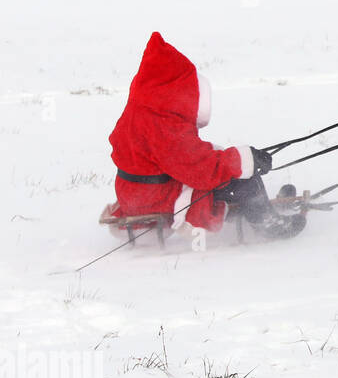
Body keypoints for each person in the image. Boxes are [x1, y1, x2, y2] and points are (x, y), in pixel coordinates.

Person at [108, 32, 305, 240]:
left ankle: (259, 207)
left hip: (137, 192)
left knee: (230, 172)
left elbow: (185, 156)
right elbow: (198, 169)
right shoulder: (163, 124)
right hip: (157, 196)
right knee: (245, 182)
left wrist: (233, 158)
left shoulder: (143, 111)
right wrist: (244, 161)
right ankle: (268, 224)